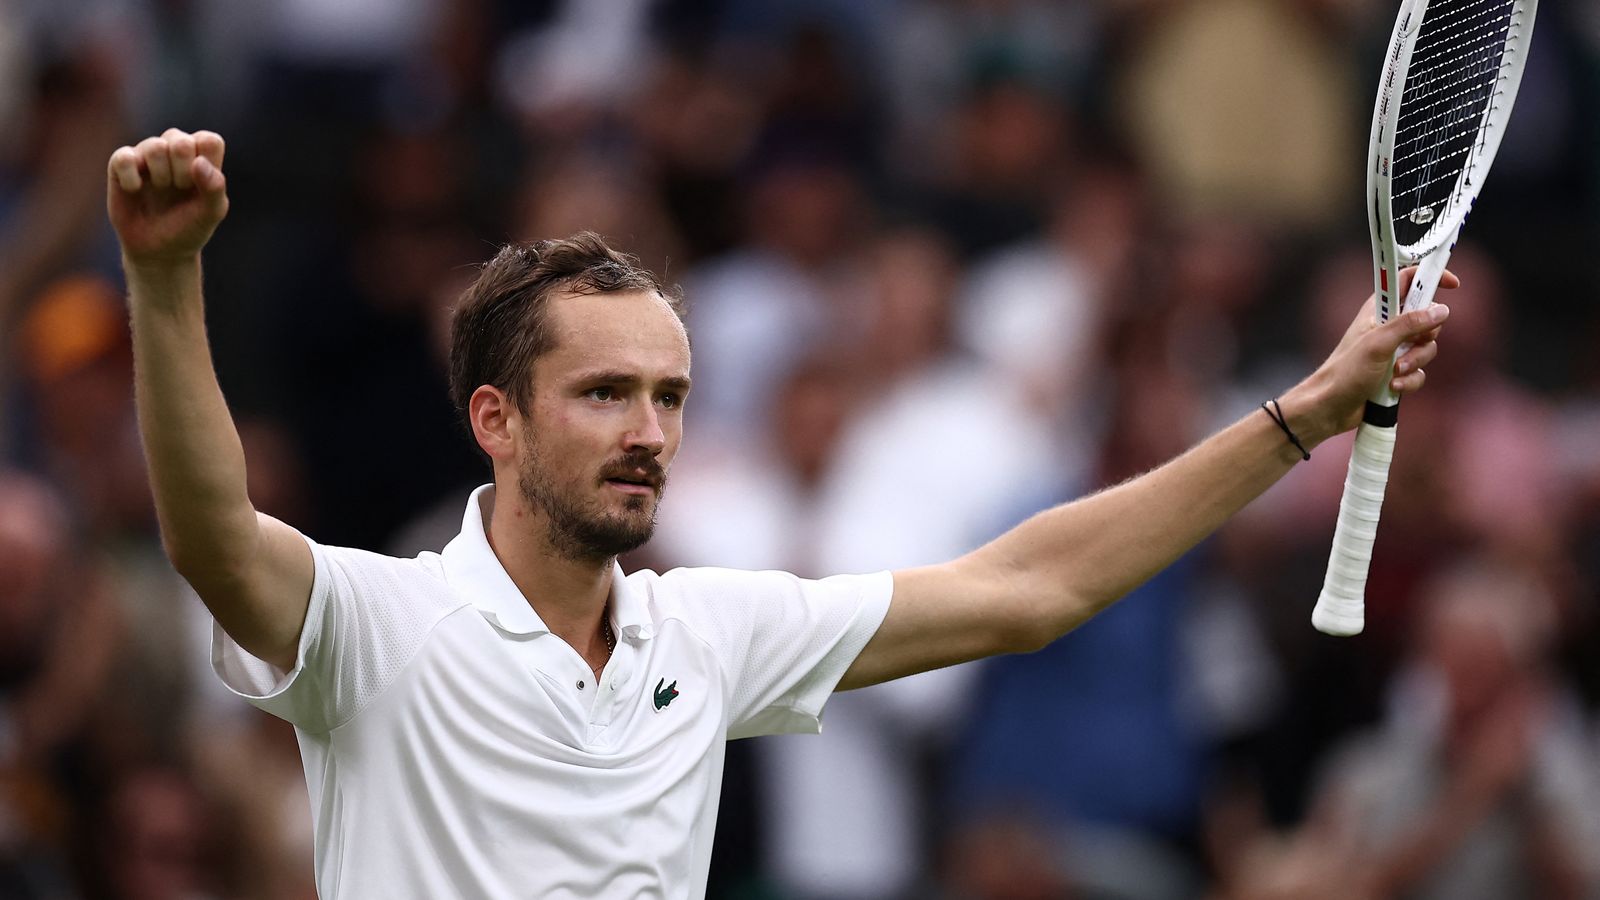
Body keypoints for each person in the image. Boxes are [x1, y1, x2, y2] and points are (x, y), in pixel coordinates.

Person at [107, 127, 1450, 899]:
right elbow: (215, 536)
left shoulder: (708, 630)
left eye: (671, 397)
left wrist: (1305, 415)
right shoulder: (383, 620)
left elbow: (1032, 587)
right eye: (604, 395)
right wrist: (166, 282)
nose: (649, 433)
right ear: (495, 421)